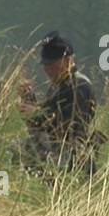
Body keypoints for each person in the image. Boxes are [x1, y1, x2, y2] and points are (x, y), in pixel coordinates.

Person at [18, 31, 99, 174]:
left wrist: (37, 112)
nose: (48, 70)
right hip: (53, 152)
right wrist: (28, 99)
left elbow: (68, 126)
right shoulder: (58, 87)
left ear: (68, 61)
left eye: (53, 65)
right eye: (46, 66)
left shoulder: (79, 86)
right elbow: (38, 127)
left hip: (71, 157)